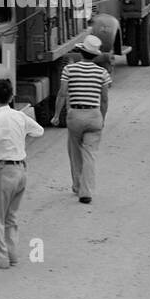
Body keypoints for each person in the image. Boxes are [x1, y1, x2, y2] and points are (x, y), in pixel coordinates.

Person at [0, 78, 44, 269]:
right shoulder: (18, 116)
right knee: (10, 216)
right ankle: (11, 254)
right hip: (21, 169)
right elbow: (38, 131)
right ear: (12, 96)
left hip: (6, 171)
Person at [55, 35, 111, 205]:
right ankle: (86, 192)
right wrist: (102, 117)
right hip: (94, 115)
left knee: (74, 152)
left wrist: (57, 115)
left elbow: (63, 93)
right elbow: (104, 99)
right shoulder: (102, 72)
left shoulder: (69, 70)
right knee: (89, 155)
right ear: (95, 55)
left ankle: (77, 185)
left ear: (80, 51)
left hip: (75, 116)